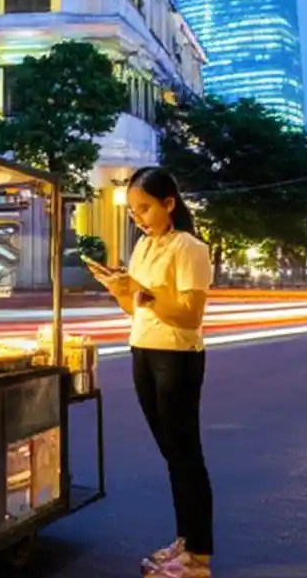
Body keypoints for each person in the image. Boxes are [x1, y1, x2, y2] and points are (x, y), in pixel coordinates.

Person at [85, 167, 215, 578]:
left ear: (169, 204)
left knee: (185, 455)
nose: (137, 217)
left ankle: (198, 557)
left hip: (177, 356)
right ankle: (185, 541)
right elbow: (135, 309)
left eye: (144, 208)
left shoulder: (190, 248)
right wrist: (121, 290)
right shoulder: (143, 247)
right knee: (172, 454)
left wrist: (142, 293)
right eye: (132, 211)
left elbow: (190, 315)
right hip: (142, 349)